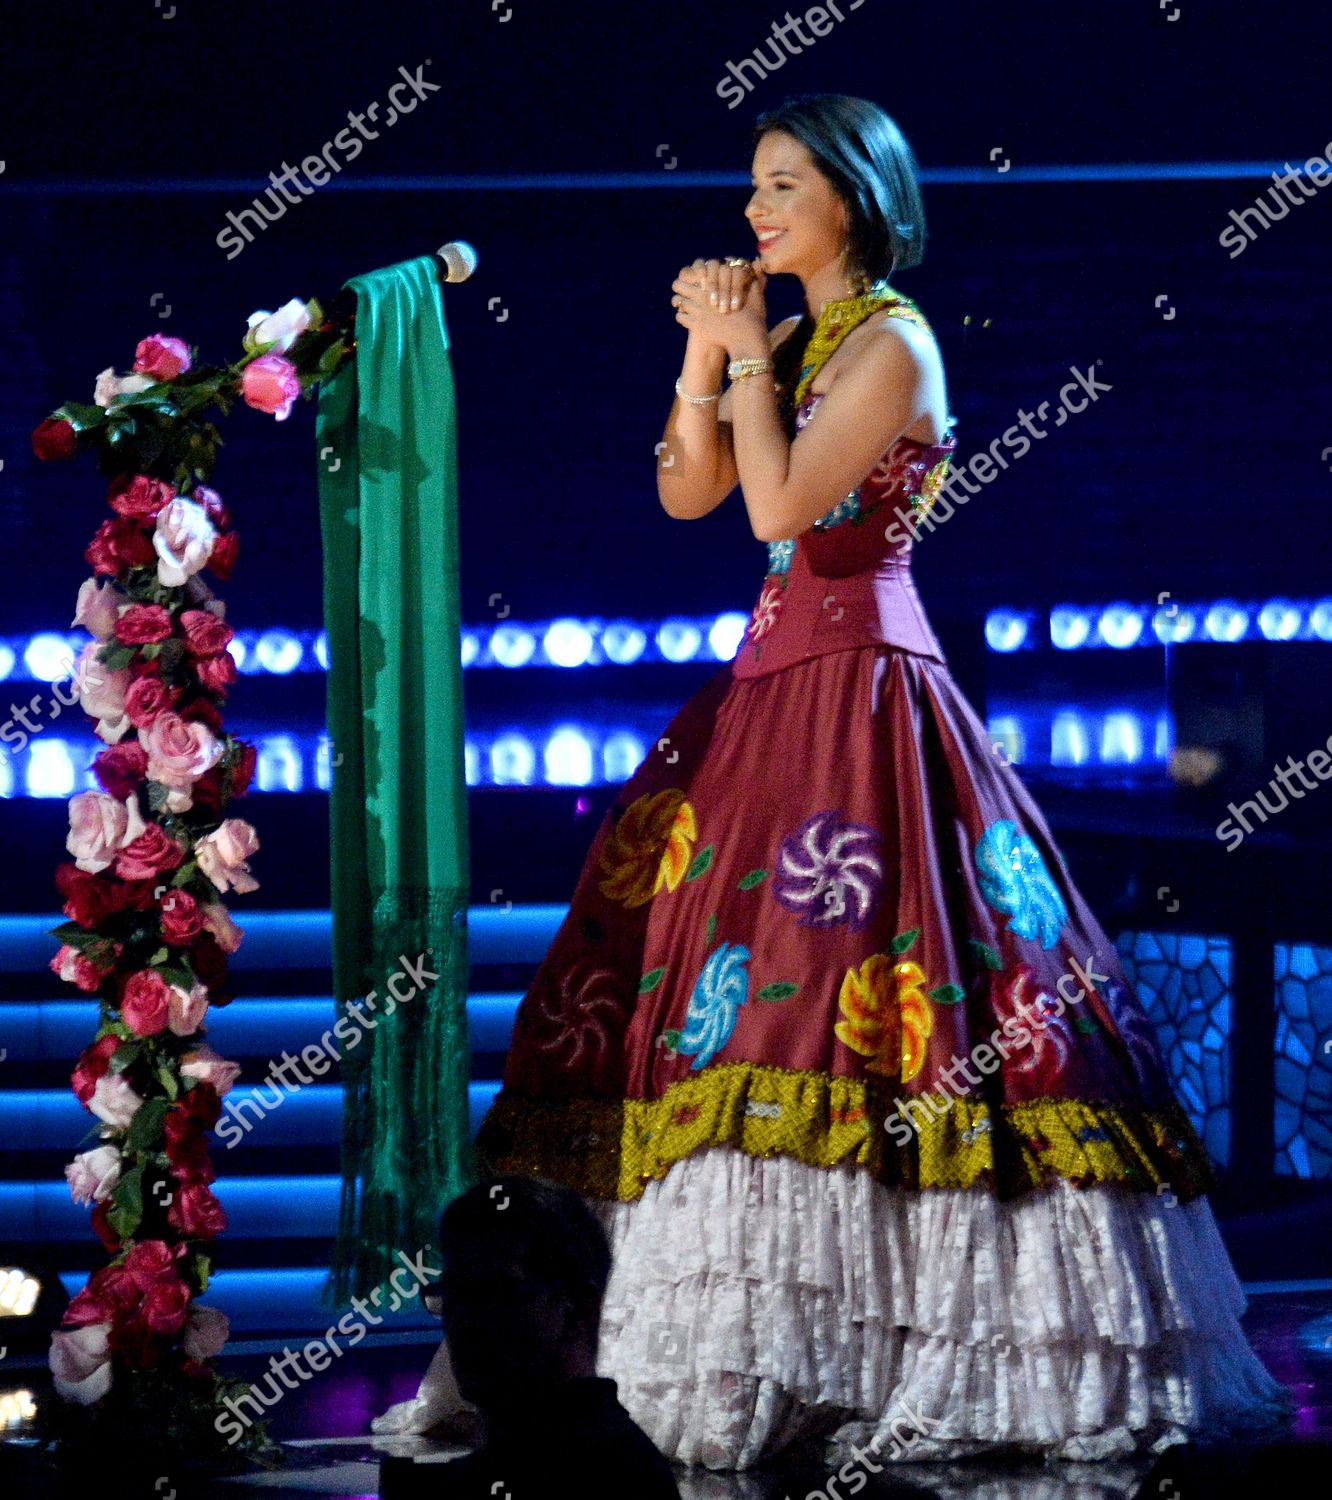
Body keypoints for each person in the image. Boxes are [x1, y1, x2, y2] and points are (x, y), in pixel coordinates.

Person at [377, 92, 1293, 1470]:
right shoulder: (793, 340)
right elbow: (690, 495)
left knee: (877, 1006)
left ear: (854, 199)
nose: (757, 208)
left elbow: (782, 509)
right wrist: (709, 350)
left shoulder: (899, 344)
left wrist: (749, 353)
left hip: (865, 704)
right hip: (760, 708)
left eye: (783, 183)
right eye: (753, 184)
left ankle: (910, 1350)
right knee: (709, 1014)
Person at [408, 1174, 682, 1499]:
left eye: (493, 1292)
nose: (465, 1318)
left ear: (577, 1311)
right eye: (456, 1291)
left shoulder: (611, 1479)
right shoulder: (498, 1470)